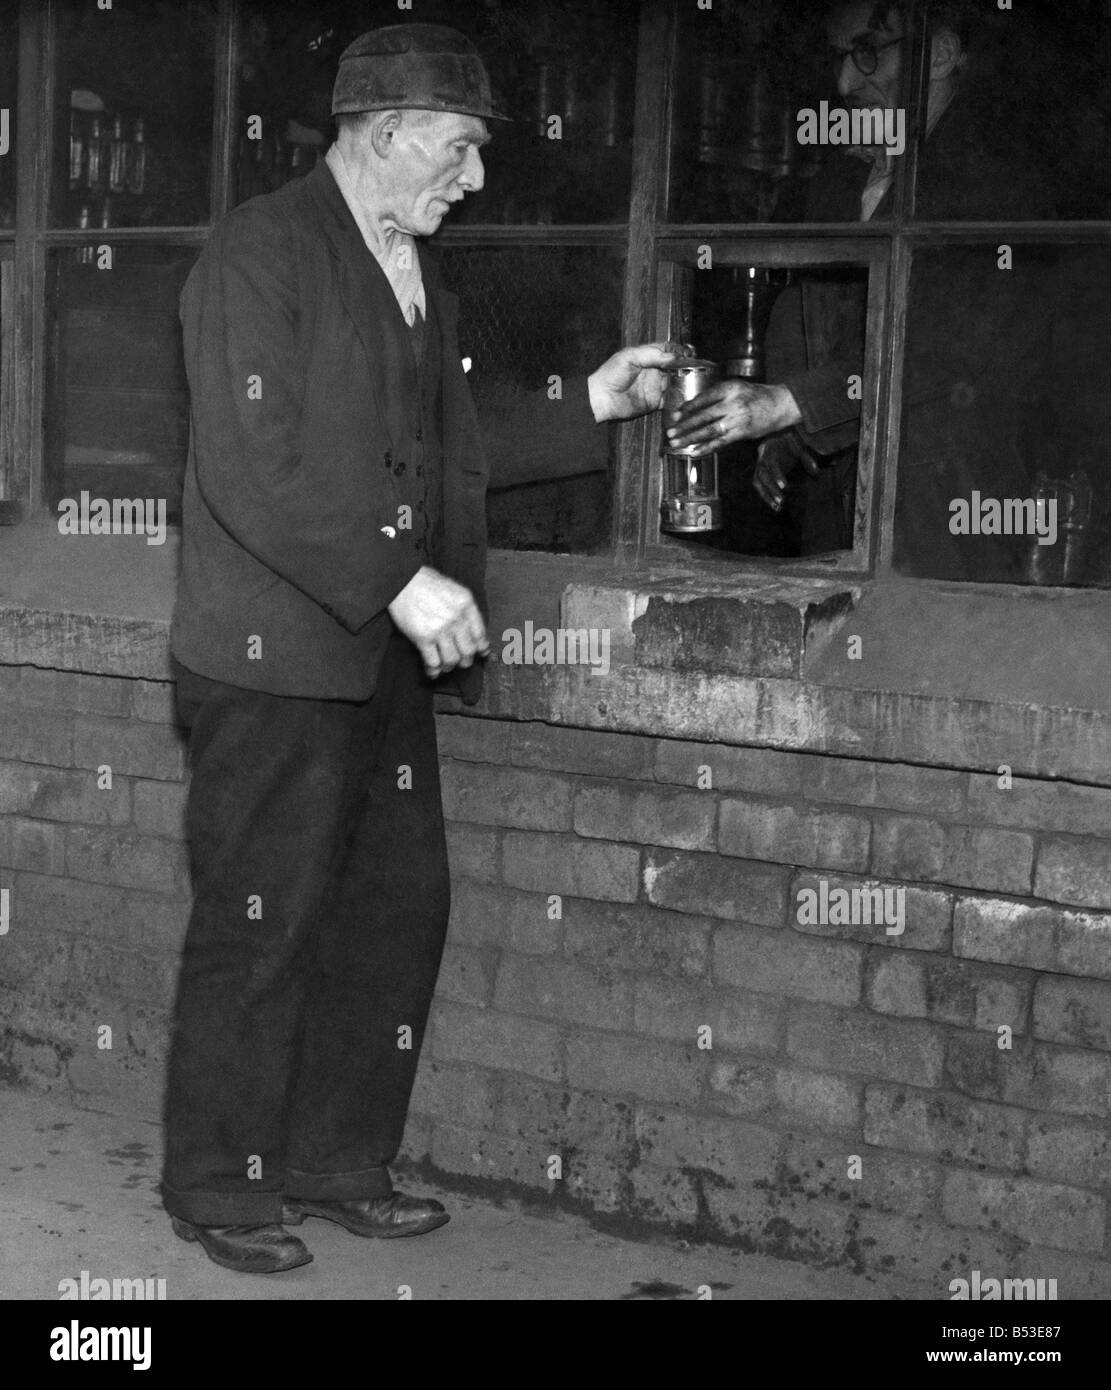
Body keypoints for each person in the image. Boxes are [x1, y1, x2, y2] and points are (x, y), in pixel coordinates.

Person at [164, 22, 678, 1274]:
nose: (475, 176)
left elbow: (454, 437)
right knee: (264, 920)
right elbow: (255, 468)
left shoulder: (413, 271)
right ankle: (220, 1191)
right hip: (272, 657)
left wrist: (595, 399)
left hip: (381, 659)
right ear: (386, 133)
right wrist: (400, 579)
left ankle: (337, 1161)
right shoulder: (259, 254)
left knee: (393, 913)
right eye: (458, 148)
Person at [667, 0, 1055, 572]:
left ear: (939, 54)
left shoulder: (997, 185)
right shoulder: (844, 181)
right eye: (842, 57)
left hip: (943, 533)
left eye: (867, 53)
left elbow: (944, 345)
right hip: (836, 531)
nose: (844, 81)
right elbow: (809, 313)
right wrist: (792, 429)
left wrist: (788, 403)